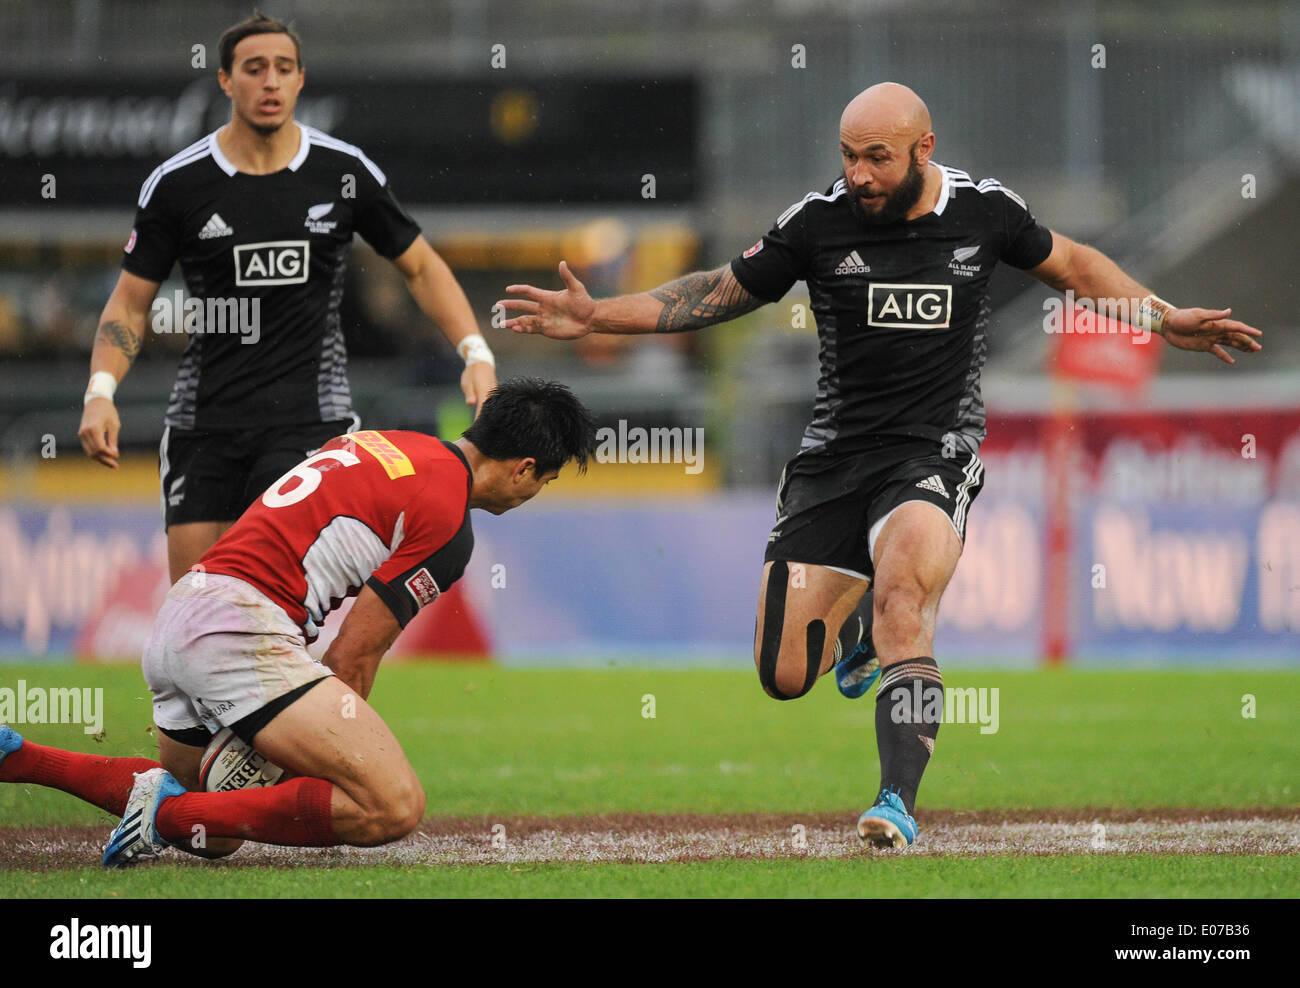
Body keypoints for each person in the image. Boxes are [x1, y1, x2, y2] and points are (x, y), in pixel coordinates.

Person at [498, 82, 1263, 847]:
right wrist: (601, 314)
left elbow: (1074, 266)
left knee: (906, 602)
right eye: (848, 156)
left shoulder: (984, 211)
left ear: (923, 150)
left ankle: (896, 800)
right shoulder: (817, 221)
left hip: (934, 450)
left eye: (875, 158)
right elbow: (718, 292)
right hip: (835, 457)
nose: (858, 174)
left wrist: (1163, 319)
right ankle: (854, 629)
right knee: (785, 675)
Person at [2, 378, 596, 866]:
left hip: (183, 613)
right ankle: (164, 815)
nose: (536, 493)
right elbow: (352, 659)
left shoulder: (388, 442)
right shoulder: (448, 521)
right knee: (391, 805)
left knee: (219, 830)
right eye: (545, 479)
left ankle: (21, 758)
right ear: (522, 468)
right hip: (238, 632)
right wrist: (311, 766)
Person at [76, 12, 497, 586]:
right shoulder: (178, 184)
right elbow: (129, 304)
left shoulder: (343, 173)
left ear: (301, 79)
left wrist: (476, 353)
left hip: (308, 424)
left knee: (273, 607)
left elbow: (421, 266)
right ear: (225, 81)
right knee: (194, 610)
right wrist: (101, 392)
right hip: (206, 424)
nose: (269, 82)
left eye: (283, 68)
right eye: (254, 69)